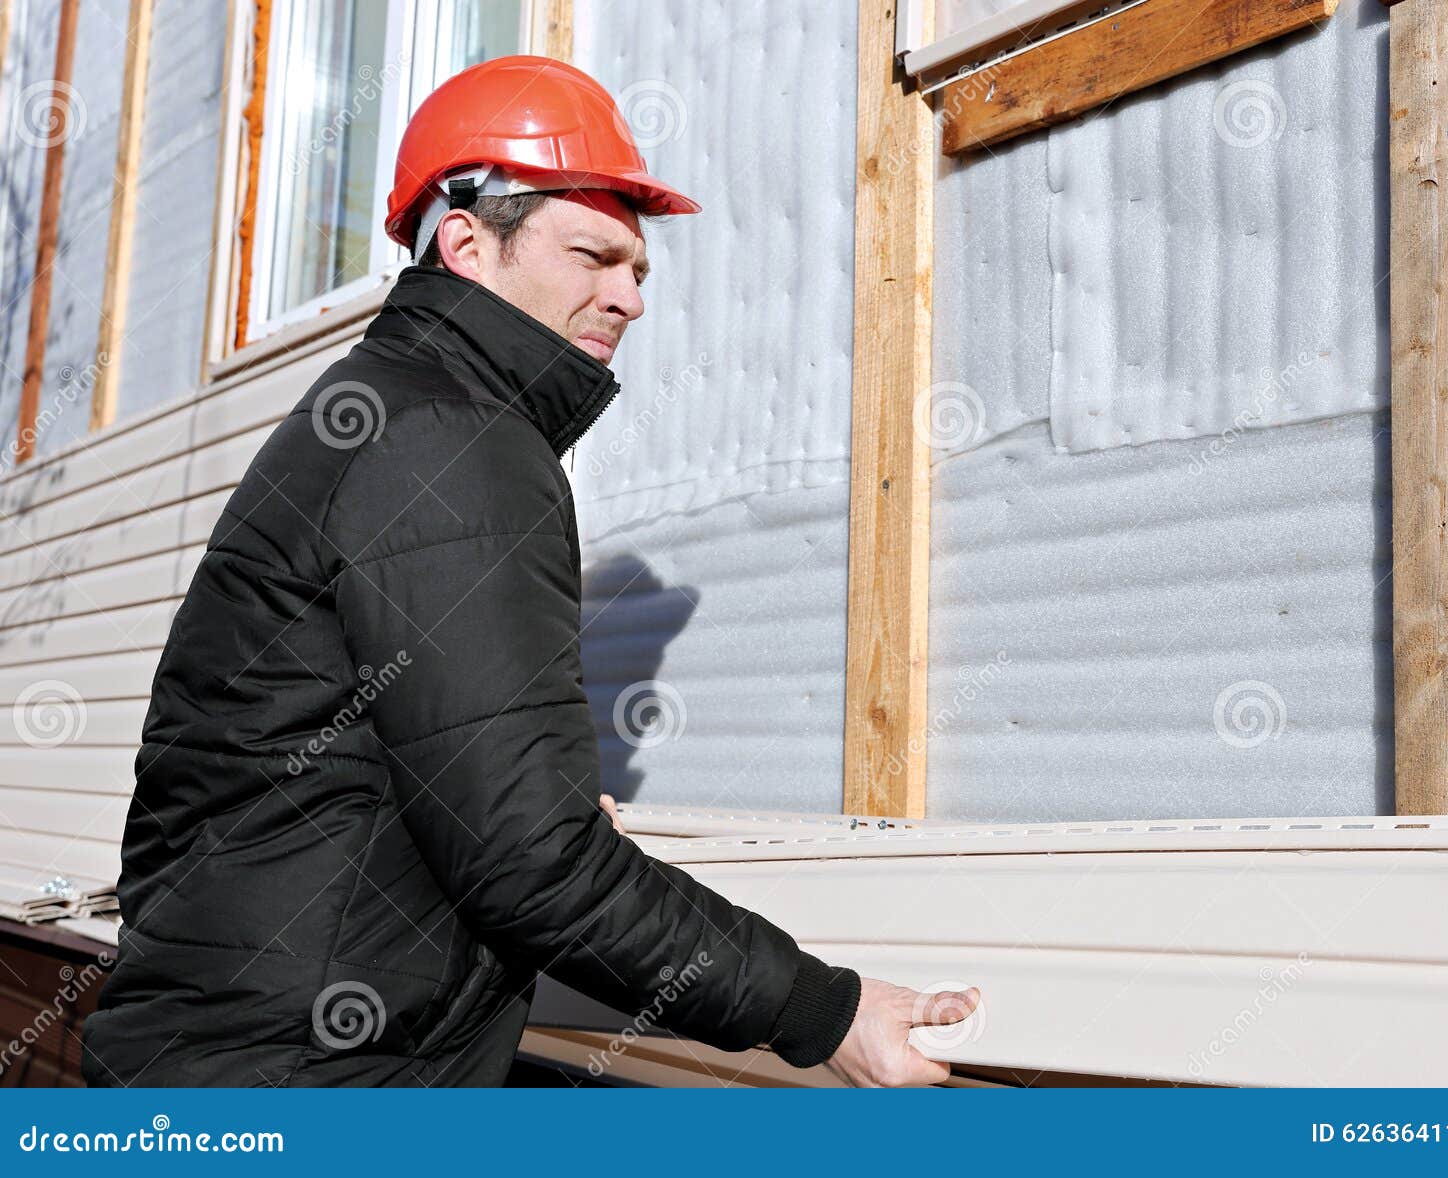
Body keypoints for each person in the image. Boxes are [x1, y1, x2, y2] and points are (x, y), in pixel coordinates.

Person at [84, 55, 977, 1088]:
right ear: (467, 244)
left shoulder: (393, 410)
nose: (628, 297)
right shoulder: (450, 442)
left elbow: (379, 788)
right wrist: (825, 1010)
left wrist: (511, 807)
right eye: (594, 255)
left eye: (639, 270)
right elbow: (530, 861)